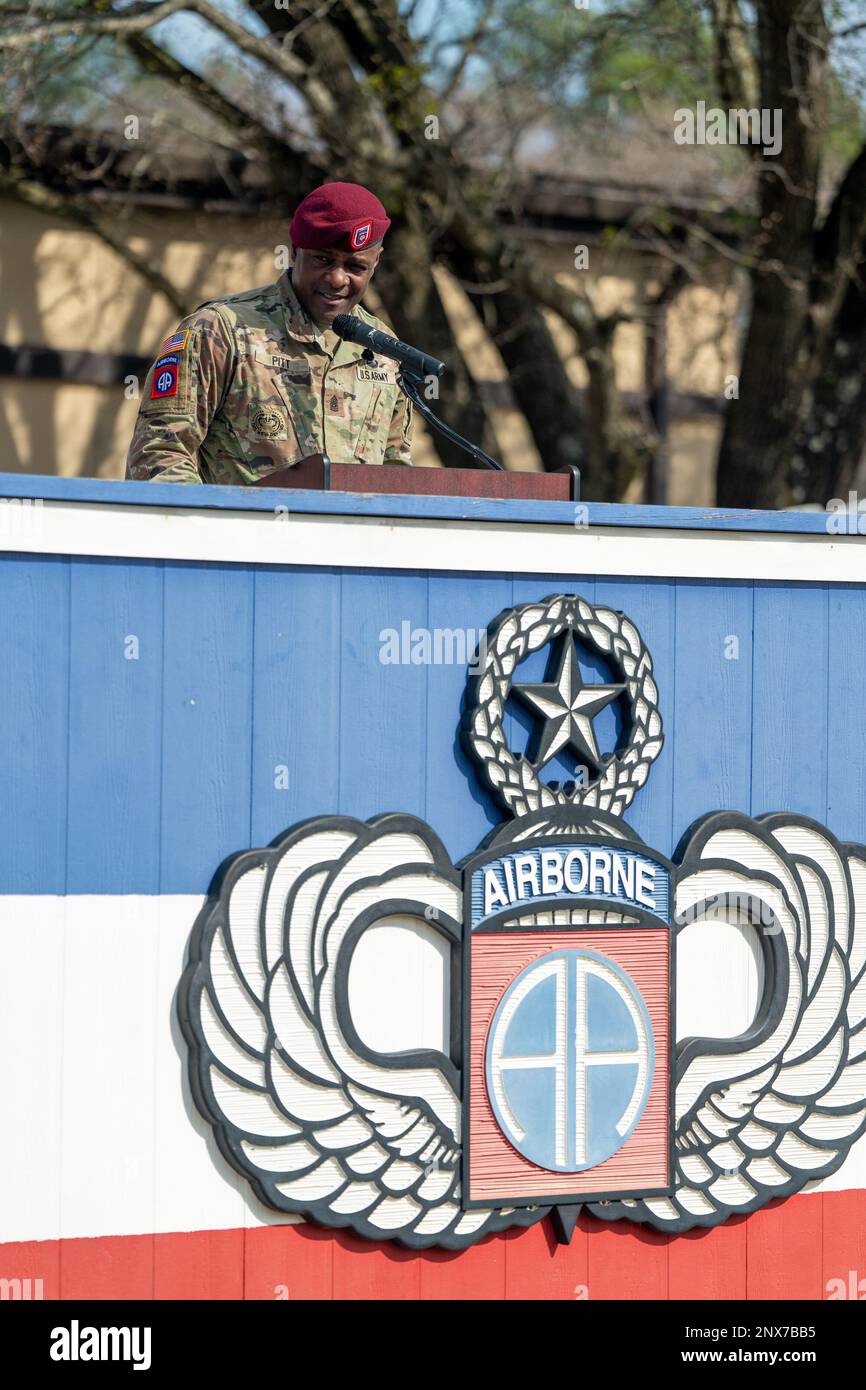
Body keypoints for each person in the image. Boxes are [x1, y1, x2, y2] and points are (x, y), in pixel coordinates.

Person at [125, 182, 414, 484]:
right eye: (323, 260)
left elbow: (395, 474)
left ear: (376, 262)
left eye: (355, 267)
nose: (337, 278)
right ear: (295, 251)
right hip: (241, 529)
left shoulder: (383, 351)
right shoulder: (221, 331)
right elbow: (158, 455)